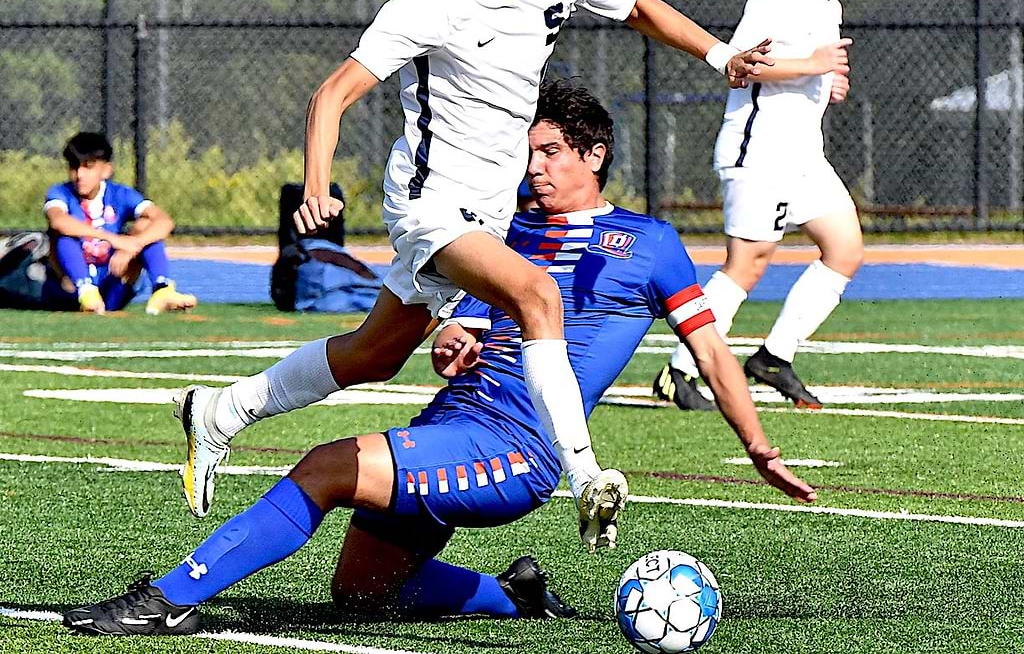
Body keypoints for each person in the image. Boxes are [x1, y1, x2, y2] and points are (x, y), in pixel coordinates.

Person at [173, 0, 773, 551]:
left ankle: (219, 412)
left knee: (374, 354)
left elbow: (638, 5)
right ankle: (584, 477)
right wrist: (317, 185)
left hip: (486, 210)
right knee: (537, 295)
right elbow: (332, 94)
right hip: (428, 203)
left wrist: (721, 56)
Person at [63, 80, 813, 637]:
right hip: (456, 419)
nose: (537, 168)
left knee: (324, 466)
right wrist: (458, 332)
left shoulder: (649, 243)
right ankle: (513, 592)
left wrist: (758, 447)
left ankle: (167, 599)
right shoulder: (510, 232)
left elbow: (711, 349)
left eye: (551, 152)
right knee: (360, 595)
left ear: (595, 153)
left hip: (516, 450)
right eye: (529, 154)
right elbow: (469, 321)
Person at [654, 0, 861, 412]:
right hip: (760, 151)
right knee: (746, 264)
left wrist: (828, 81)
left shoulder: (828, 1)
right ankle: (678, 371)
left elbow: (809, 66)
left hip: (802, 156)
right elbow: (744, 65)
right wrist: (814, 66)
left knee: (845, 249)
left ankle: (774, 357)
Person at [42, 132, 197, 315]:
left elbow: (164, 221)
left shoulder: (120, 194)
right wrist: (113, 239)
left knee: (145, 226)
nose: (79, 175)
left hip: (112, 283)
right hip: (70, 290)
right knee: (61, 234)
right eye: (74, 167)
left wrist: (132, 246)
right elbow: (58, 221)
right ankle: (86, 291)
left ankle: (162, 289)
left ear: (106, 170)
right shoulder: (60, 193)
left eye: (88, 167)